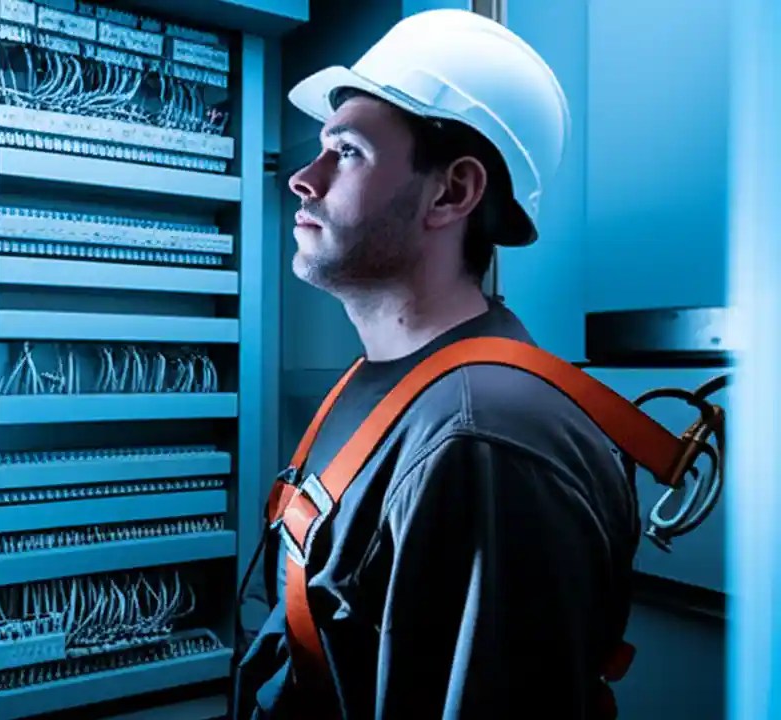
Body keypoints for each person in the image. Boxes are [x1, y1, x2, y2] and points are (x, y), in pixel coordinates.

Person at [234, 10, 641, 719]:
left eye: (349, 152)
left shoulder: (485, 437)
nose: (304, 178)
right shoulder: (383, 386)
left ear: (452, 192)